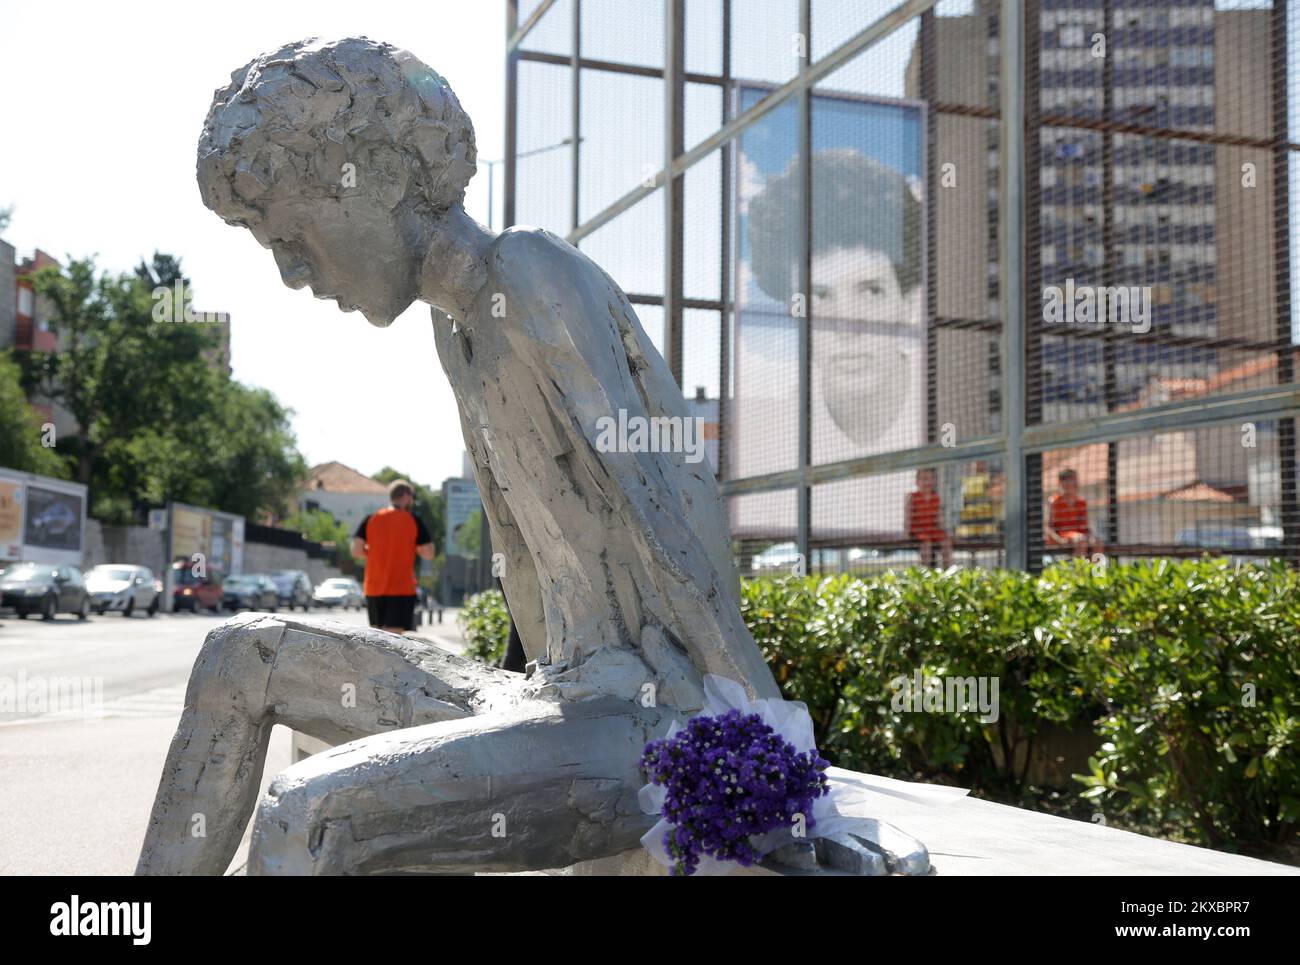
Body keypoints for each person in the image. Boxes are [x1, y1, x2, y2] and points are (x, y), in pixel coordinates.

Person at [351, 479, 435, 633]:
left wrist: (373, 553)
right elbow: (429, 554)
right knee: (394, 639)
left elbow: (356, 551)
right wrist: (413, 548)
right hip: (401, 587)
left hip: (374, 587)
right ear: (407, 496)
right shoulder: (413, 520)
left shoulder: (371, 519)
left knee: (376, 637)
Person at [1046, 468, 1100, 558]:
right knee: (1081, 540)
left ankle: (1095, 570)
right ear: (1061, 483)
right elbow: (1049, 528)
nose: (1071, 484)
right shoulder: (1054, 501)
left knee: (1097, 541)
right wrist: (1059, 540)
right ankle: (1079, 570)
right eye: (1067, 480)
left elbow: (1085, 527)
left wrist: (1092, 536)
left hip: (1079, 535)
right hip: (1061, 535)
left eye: (1073, 480)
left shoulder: (1081, 503)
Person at [904, 467, 951, 568]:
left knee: (946, 541)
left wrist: (944, 531)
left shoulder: (935, 498)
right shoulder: (912, 497)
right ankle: (926, 570)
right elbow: (907, 516)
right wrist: (907, 533)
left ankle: (948, 570)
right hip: (918, 530)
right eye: (924, 479)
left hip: (932, 529)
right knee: (927, 543)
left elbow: (939, 517)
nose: (927, 482)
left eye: (930, 479)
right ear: (917, 482)